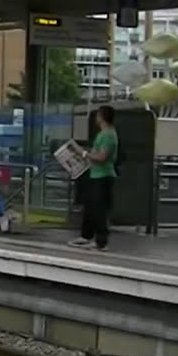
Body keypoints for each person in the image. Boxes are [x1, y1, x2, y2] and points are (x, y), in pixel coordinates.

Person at [70, 104, 118, 251]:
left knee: (99, 208)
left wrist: (84, 153)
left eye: (98, 115)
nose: (96, 118)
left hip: (103, 175)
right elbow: (97, 152)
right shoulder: (102, 134)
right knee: (90, 206)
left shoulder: (108, 135)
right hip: (95, 173)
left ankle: (101, 241)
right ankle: (86, 235)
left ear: (102, 117)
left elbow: (102, 156)